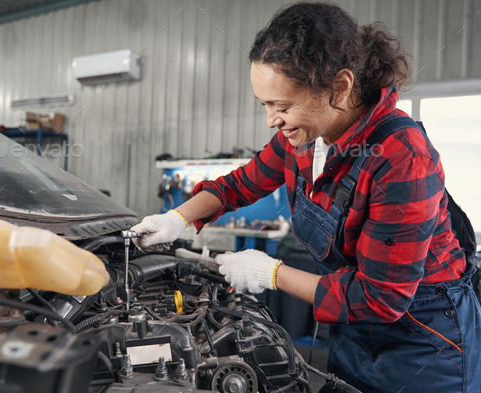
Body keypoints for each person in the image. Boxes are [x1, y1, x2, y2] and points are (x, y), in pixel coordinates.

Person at [131, 2, 481, 392]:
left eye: (282, 106)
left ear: (341, 87)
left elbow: (382, 297)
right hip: (352, 331)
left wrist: (270, 274)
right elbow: (237, 185)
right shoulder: (303, 140)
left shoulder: (402, 157)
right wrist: (175, 219)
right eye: (265, 105)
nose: (271, 121)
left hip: (426, 343)